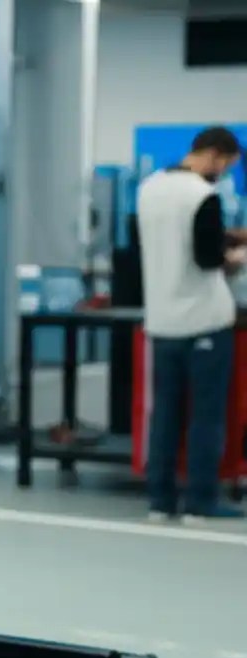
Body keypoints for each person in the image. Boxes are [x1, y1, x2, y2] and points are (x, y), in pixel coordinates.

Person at [136, 126, 246, 521]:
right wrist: (236, 257)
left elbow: (174, 240)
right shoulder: (203, 194)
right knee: (205, 417)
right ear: (215, 155)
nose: (224, 174)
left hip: (162, 322)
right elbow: (207, 257)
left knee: (164, 416)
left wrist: (224, 237)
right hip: (204, 321)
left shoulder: (149, 188)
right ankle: (201, 501)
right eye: (227, 166)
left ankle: (160, 501)